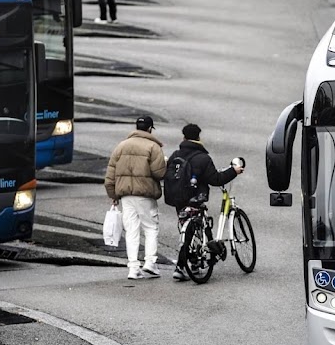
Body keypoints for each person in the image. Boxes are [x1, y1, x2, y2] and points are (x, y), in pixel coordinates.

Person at [167, 123, 243, 281]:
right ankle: (186, 265)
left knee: (187, 230)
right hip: (196, 198)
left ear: (184, 137)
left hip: (178, 200)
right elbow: (216, 179)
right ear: (199, 137)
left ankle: (189, 264)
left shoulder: (175, 155)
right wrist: (233, 171)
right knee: (197, 229)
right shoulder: (203, 158)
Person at [104, 115, 167, 280]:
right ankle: (150, 263)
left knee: (131, 231)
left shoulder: (121, 146)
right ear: (150, 129)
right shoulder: (153, 147)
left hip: (125, 195)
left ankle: (133, 268)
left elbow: (110, 174)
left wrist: (113, 194)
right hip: (145, 194)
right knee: (150, 228)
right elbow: (159, 173)